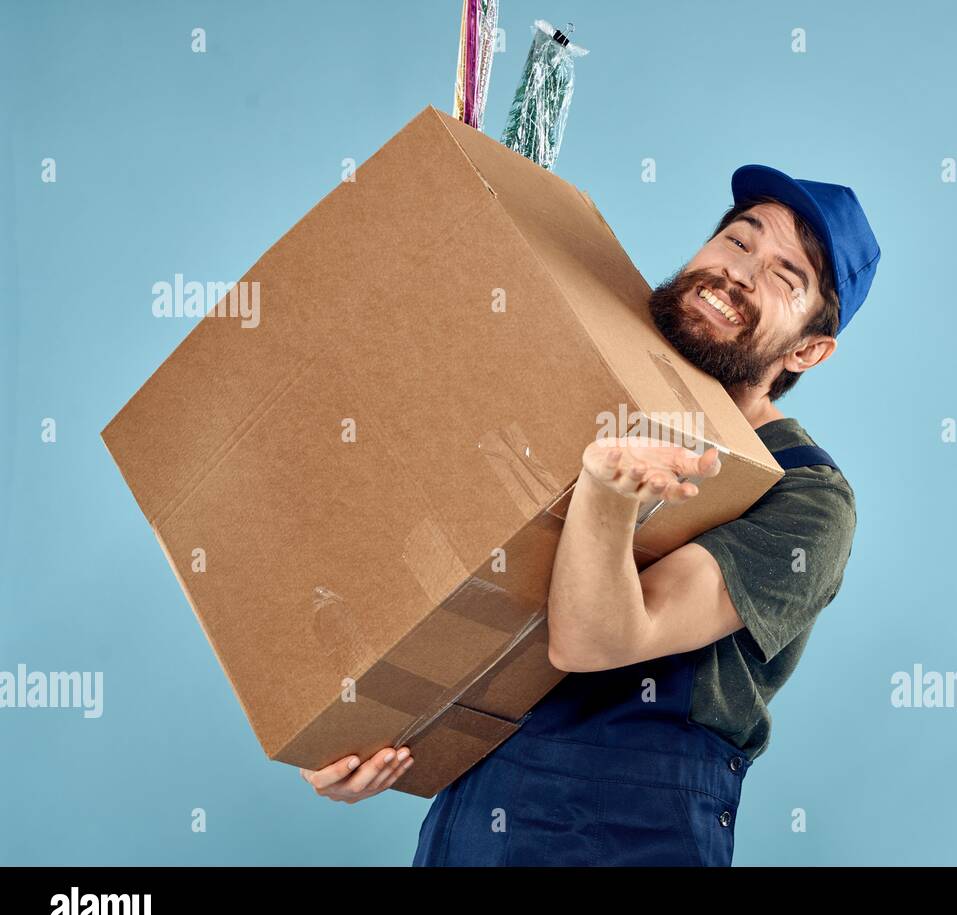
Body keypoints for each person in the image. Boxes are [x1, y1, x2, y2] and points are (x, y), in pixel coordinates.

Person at [301, 164, 881, 866]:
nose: (740, 273)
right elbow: (453, 586)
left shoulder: (807, 497)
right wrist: (365, 730)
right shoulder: (574, 379)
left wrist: (605, 496)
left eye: (787, 279)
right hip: (474, 822)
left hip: (635, 833)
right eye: (737, 240)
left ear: (808, 350)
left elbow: (592, 641)